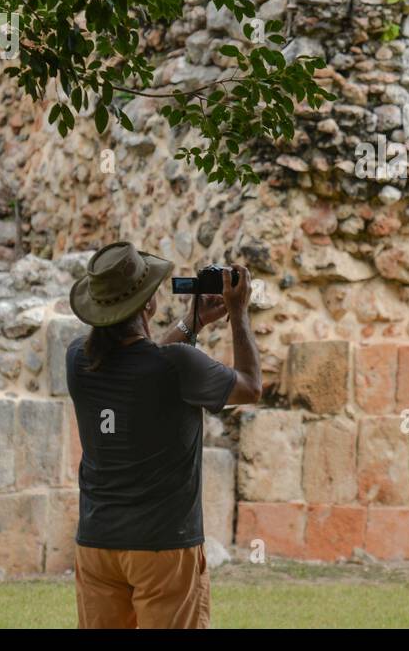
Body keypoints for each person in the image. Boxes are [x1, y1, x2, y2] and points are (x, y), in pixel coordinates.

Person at [64, 241, 261, 629]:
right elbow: (251, 386)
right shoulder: (178, 366)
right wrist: (238, 313)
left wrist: (194, 323)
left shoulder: (77, 359)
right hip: (164, 545)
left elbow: (147, 363)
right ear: (149, 304)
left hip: (97, 542)